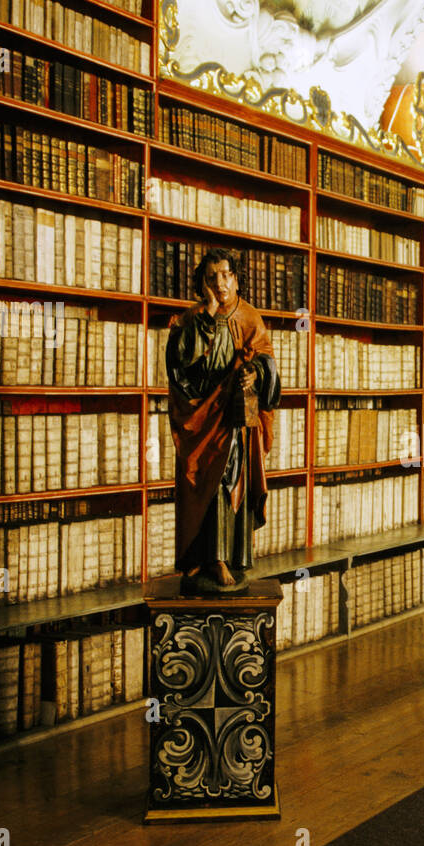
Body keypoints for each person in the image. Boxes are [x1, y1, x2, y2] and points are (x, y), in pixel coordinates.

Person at [166, 248, 280, 593]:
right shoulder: (191, 318)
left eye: (226, 275)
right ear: (203, 282)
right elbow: (180, 364)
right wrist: (208, 316)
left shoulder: (250, 318)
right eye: (212, 276)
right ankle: (201, 558)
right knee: (204, 482)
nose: (220, 282)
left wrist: (255, 375)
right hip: (201, 418)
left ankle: (226, 558)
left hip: (234, 418)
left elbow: (268, 363)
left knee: (229, 483)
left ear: (237, 278)